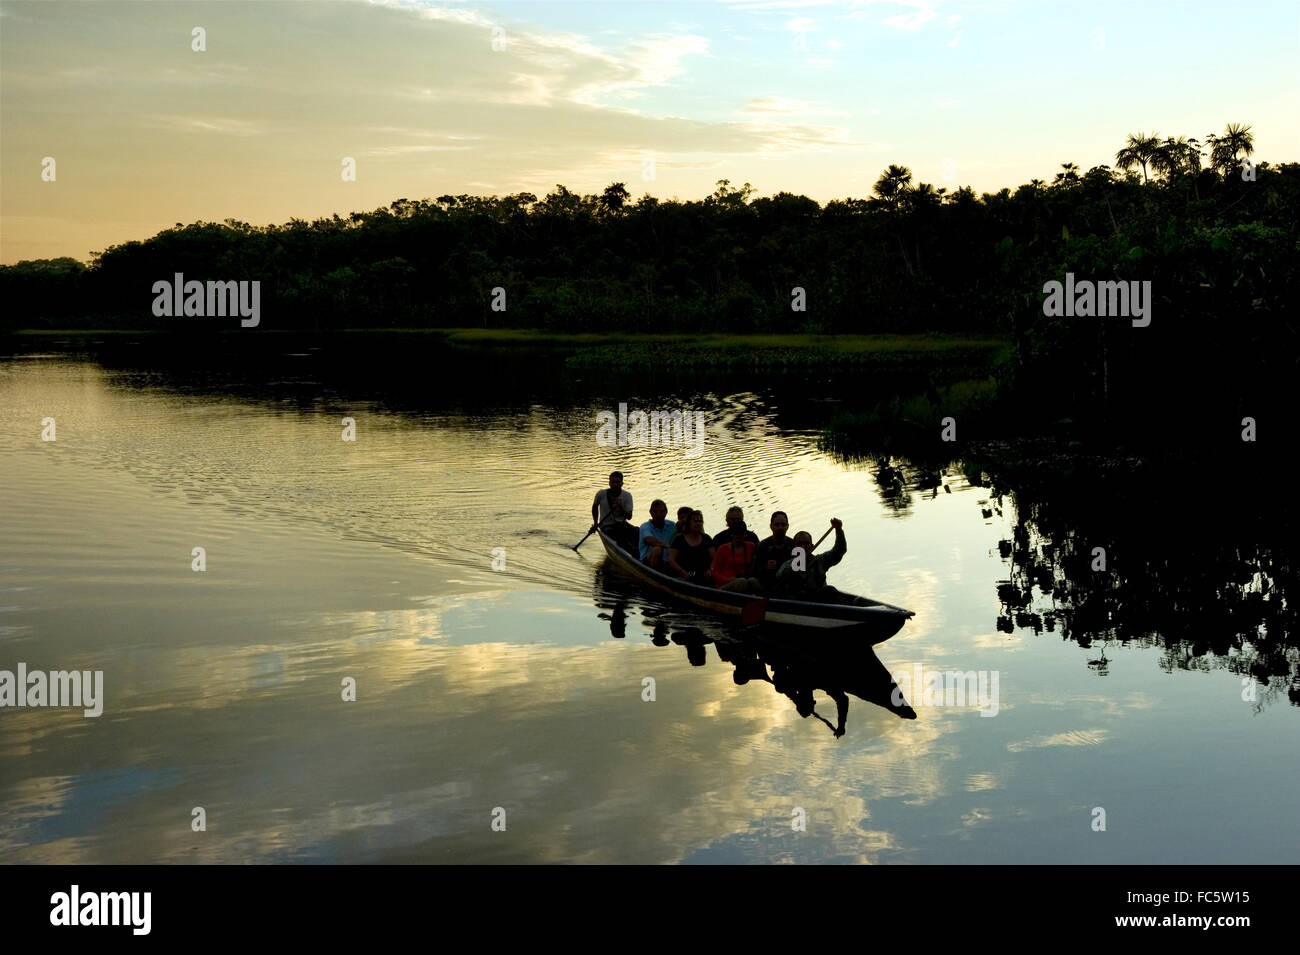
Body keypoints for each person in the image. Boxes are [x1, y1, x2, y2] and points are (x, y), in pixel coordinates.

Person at [774, 518, 868, 605]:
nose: (803, 546)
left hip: (819, 599)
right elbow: (779, 578)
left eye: (806, 543)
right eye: (799, 543)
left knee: (829, 590)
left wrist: (839, 530)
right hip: (799, 602)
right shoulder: (788, 565)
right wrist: (793, 568)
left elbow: (839, 551)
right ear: (795, 547)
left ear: (812, 546)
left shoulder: (820, 560)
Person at [711, 521, 763, 594]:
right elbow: (714, 572)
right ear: (732, 534)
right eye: (736, 533)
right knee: (741, 582)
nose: (738, 536)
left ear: (745, 534)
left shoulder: (751, 546)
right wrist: (728, 580)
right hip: (725, 585)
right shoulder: (722, 549)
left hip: (744, 581)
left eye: (741, 533)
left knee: (753, 581)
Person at [590, 472, 637, 552]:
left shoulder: (627, 496)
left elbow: (629, 517)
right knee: (620, 538)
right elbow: (595, 507)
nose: (615, 484)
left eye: (618, 482)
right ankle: (632, 552)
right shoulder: (601, 494)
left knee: (638, 531)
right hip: (606, 526)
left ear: (622, 483)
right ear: (609, 483)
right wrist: (595, 523)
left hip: (622, 524)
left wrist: (621, 507)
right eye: (613, 482)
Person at [666, 510, 715, 585]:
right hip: (683, 577)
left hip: (704, 576)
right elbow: (671, 560)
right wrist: (683, 572)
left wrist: (711, 570)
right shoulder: (679, 539)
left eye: (700, 521)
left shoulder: (706, 538)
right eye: (695, 521)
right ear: (689, 523)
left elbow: (714, 558)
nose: (698, 524)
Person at [755, 510, 796, 591]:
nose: (780, 527)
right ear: (771, 526)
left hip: (790, 585)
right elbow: (755, 571)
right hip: (767, 586)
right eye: (777, 525)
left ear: (787, 526)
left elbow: (801, 570)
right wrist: (765, 568)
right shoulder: (762, 546)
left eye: (783, 524)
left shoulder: (794, 545)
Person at [638, 499, 676, 568]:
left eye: (661, 511)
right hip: (647, 561)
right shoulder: (645, 526)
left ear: (666, 512)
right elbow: (650, 540)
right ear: (650, 512)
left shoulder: (672, 525)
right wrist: (667, 546)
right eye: (655, 512)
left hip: (667, 561)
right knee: (657, 549)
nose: (658, 514)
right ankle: (656, 572)